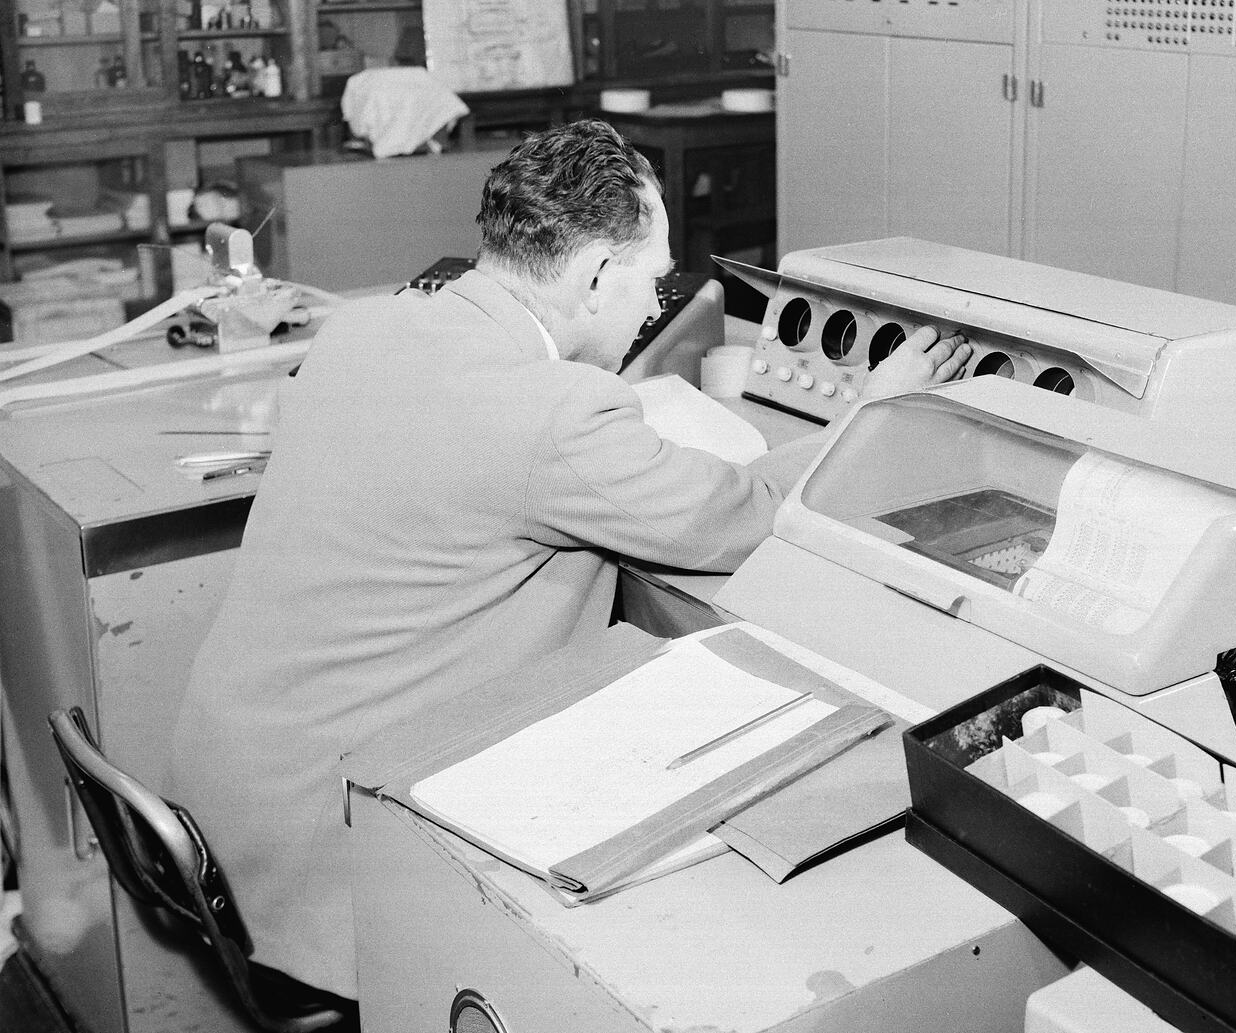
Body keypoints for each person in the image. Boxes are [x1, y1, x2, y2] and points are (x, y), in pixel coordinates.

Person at [164, 119, 970, 1003]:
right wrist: (877, 412)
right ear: (593, 275)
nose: (651, 312)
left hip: (222, 799)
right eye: (651, 288)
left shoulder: (364, 330)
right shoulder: (552, 415)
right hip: (326, 862)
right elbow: (751, 517)